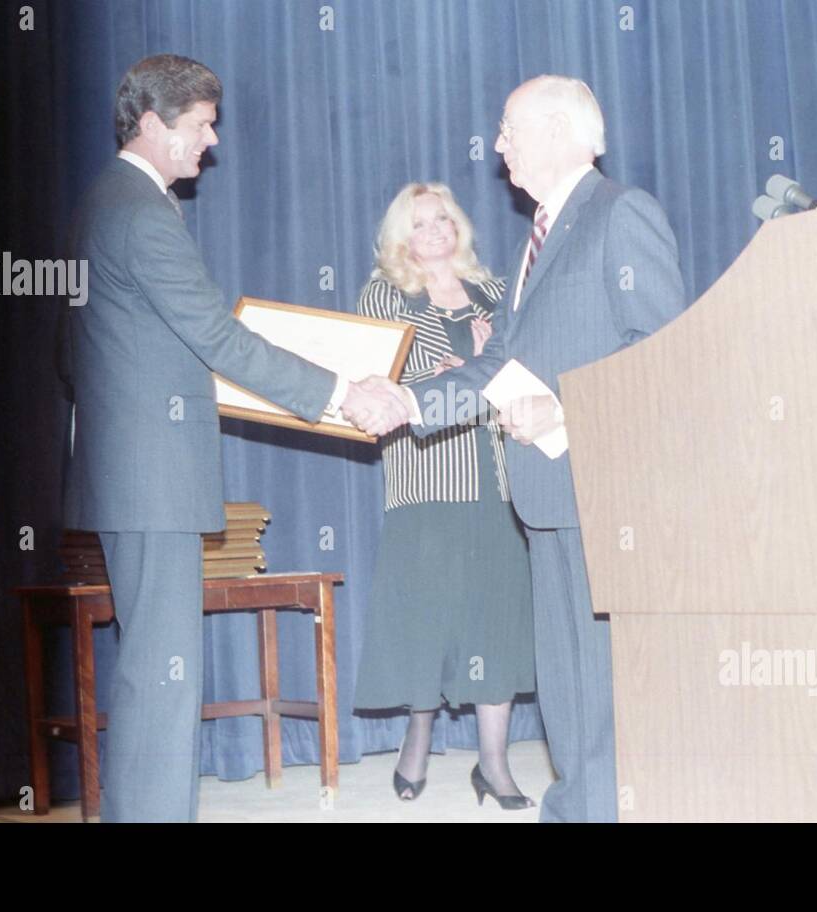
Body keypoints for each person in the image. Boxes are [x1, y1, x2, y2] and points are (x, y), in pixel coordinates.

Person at [60, 54, 410, 822]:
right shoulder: (141, 211)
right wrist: (341, 393)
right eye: (200, 125)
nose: (211, 142)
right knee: (162, 672)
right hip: (150, 480)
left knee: (151, 666)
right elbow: (220, 338)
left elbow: (82, 352)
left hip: (130, 477)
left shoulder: (100, 203)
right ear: (152, 124)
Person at [404, 76, 687, 822]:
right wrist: (408, 401)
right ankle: (579, 808)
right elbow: (504, 363)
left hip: (608, 487)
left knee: (607, 681)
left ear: (560, 130)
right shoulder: (539, 240)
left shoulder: (622, 214)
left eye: (508, 129)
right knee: (568, 680)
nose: (497, 146)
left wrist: (561, 414)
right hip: (551, 495)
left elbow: (661, 356)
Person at [354, 183, 537, 809]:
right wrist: (478, 362)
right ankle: (419, 733)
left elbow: (524, 371)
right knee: (427, 615)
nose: (434, 230)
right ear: (400, 237)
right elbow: (391, 384)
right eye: (419, 222)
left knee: (496, 615)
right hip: (427, 475)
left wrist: (493, 363)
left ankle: (493, 762)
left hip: (498, 472)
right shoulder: (386, 294)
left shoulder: (495, 291)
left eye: (443, 218)